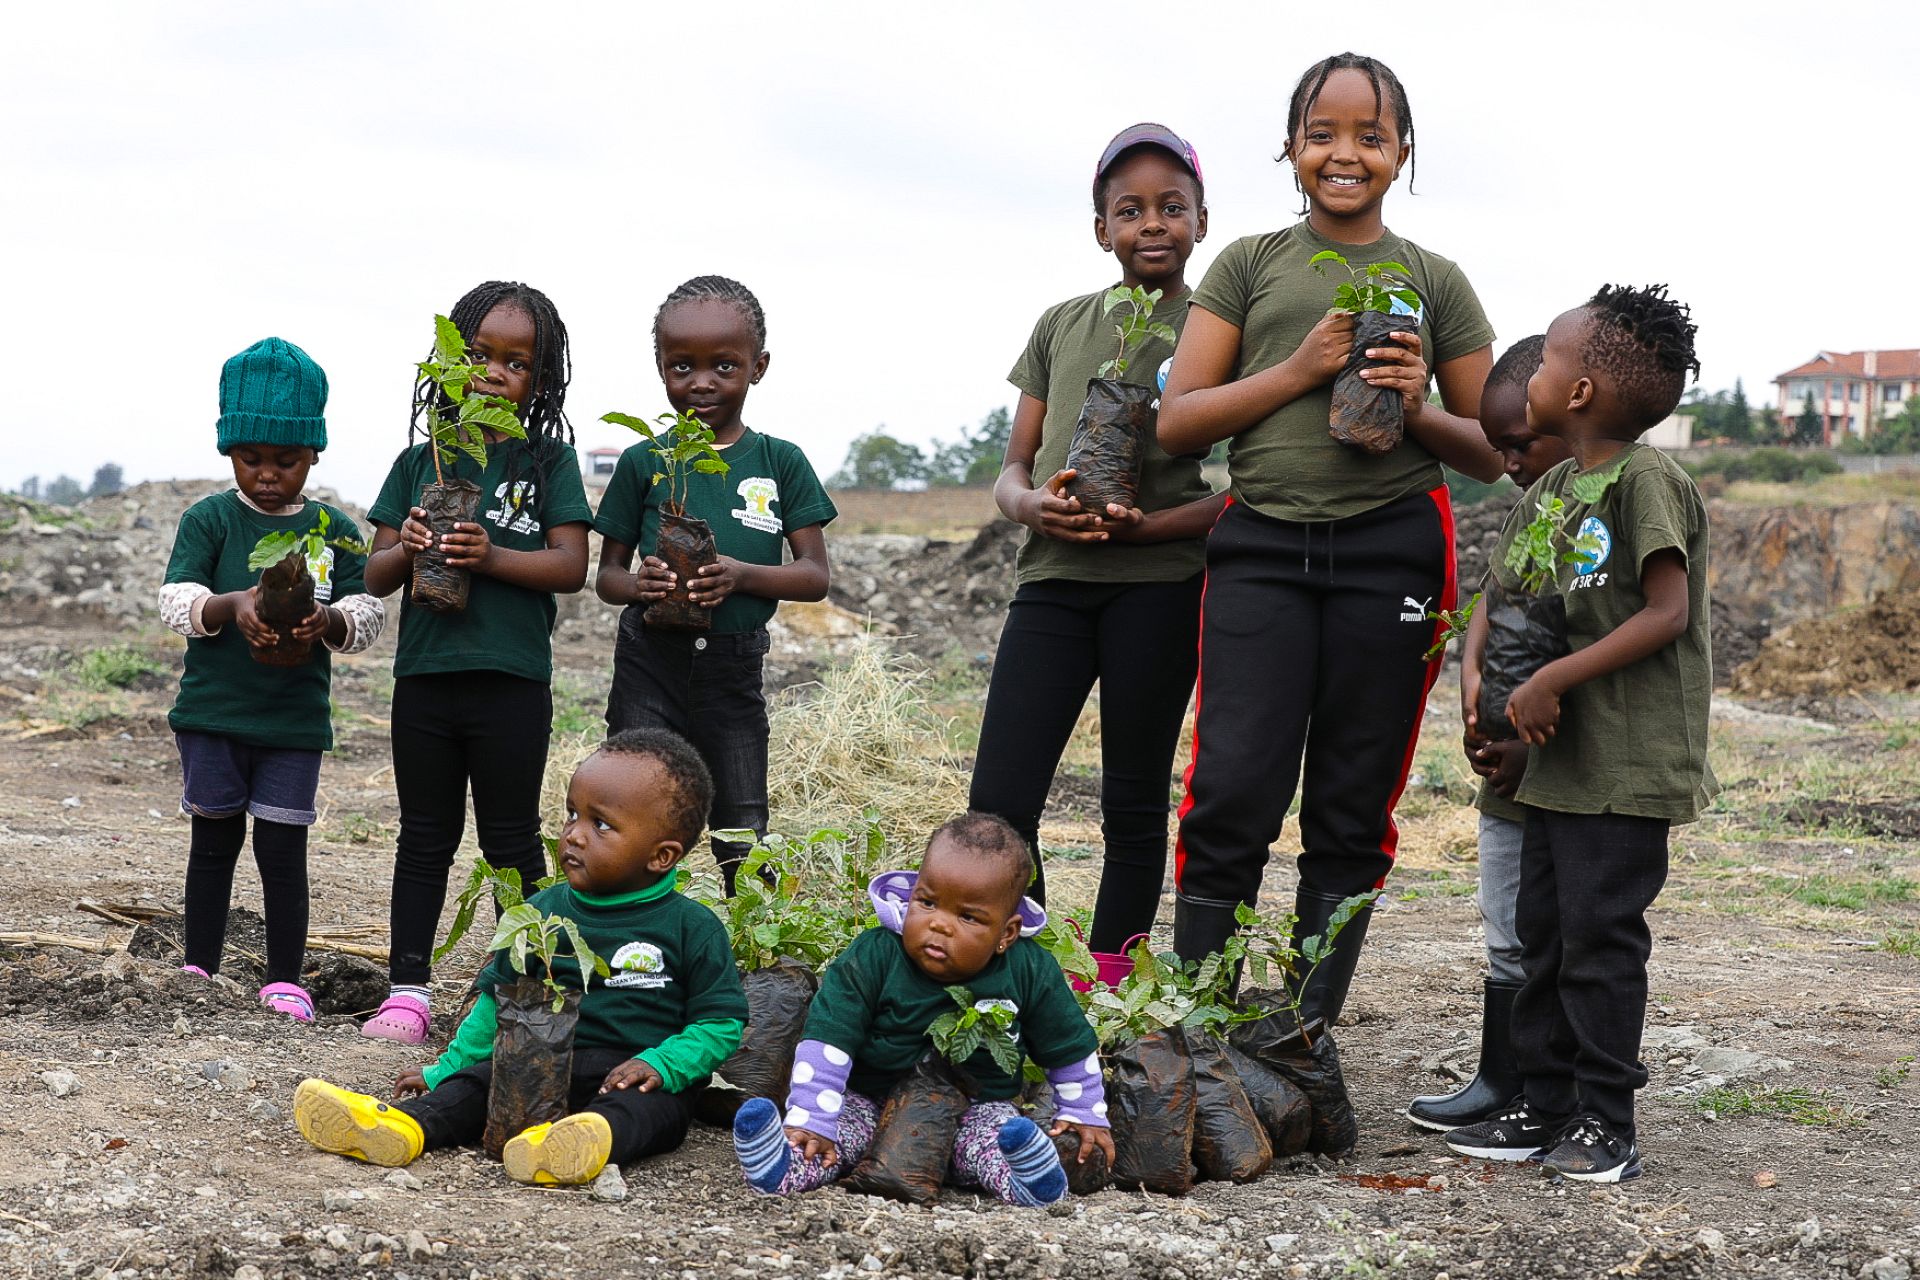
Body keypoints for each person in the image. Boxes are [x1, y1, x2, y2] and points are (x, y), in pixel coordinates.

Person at [1154, 52, 1505, 1026]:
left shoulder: (1435, 280)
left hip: (1394, 552)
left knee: (1353, 800)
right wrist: (1302, 370)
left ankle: (1304, 1032)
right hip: (1261, 550)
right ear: (1291, 148)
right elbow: (1179, 422)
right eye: (1323, 134)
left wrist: (1416, 403)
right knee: (1232, 787)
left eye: (1370, 136)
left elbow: (1492, 451)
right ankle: (1202, 1024)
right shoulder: (1248, 265)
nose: (1345, 154)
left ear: (1403, 153)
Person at [1445, 285, 1714, 1183]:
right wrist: (1485, 687)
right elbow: (1506, 600)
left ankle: (1607, 1120)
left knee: (1599, 941)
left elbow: (1668, 612)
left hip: (1624, 767)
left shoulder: (1647, 483)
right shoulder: (1556, 490)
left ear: (1582, 391)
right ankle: (1544, 1103)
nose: (1535, 373)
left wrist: (1554, 679)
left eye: (1550, 361)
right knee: (1544, 935)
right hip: (1559, 769)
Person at [968, 123, 1225, 949]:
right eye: (1130, 209)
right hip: (1051, 581)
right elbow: (1012, 470)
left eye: (1172, 207)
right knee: (1000, 803)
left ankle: (1113, 977)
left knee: (1134, 802)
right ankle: (1030, 964)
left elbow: (1249, 491)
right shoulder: (1062, 324)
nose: (1152, 223)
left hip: (1161, 585)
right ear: (1100, 228)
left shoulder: (1220, 328)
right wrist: (1032, 508)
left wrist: (1150, 529)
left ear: (1201, 221)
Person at [293, 729, 749, 1186]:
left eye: (601, 825)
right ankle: (399, 1128)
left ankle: (582, 1142)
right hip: (536, 1065)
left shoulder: (693, 927)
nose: (574, 835)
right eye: (572, 814)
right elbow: (494, 1004)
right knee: (477, 1084)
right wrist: (446, 1070)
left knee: (648, 1114)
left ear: (661, 856)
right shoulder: (540, 913)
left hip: (634, 1077)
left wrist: (663, 1064)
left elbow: (720, 1023)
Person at [360, 281, 594, 1043]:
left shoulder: (547, 462)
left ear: (540, 380)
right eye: (480, 356)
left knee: (511, 840)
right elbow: (373, 575)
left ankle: (519, 993)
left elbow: (569, 566)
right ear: (449, 363)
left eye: (517, 363)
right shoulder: (419, 461)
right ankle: (407, 994)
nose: (494, 372)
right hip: (425, 681)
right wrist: (409, 545)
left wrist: (491, 556)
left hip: (512, 683)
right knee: (424, 836)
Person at [160, 337, 385, 1023]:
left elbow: (369, 612)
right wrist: (231, 606)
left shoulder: (332, 530)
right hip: (213, 717)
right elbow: (175, 600)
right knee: (213, 845)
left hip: (292, 724)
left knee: (283, 852)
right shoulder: (209, 519)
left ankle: (285, 979)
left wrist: (328, 621)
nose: (266, 474)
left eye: (285, 461)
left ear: (314, 454)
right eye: (250, 458)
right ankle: (200, 968)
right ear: (229, 451)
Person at [730, 813, 1112, 1207]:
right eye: (927, 902)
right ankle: (782, 1166)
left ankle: (1027, 1182)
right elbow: (829, 1038)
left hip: (973, 1110)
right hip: (871, 1101)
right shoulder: (875, 954)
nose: (939, 925)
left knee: (994, 1139)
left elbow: (1067, 1043)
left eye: (967, 917)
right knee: (832, 1138)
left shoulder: (1029, 969)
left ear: (1007, 933)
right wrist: (811, 1117)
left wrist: (1084, 1111)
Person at [594, 276, 836, 893]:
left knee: (742, 827)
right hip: (649, 663)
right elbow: (607, 577)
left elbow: (814, 576)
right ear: (660, 367)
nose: (701, 382)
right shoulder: (645, 462)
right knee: (634, 807)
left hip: (732, 671)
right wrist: (640, 584)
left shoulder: (779, 462)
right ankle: (631, 928)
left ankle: (754, 936)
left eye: (724, 366)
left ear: (759, 367)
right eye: (682, 366)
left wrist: (743, 575)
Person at [1405, 335, 1570, 1130]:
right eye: (1498, 446)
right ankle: (1503, 1080)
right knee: (1505, 924)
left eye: (1520, 444)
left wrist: (1521, 736)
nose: (1506, 463)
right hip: (1507, 765)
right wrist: (1474, 690)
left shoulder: (1597, 513)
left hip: (1555, 766)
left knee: (1550, 931)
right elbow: (1492, 610)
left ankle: (1542, 1088)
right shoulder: (1529, 512)